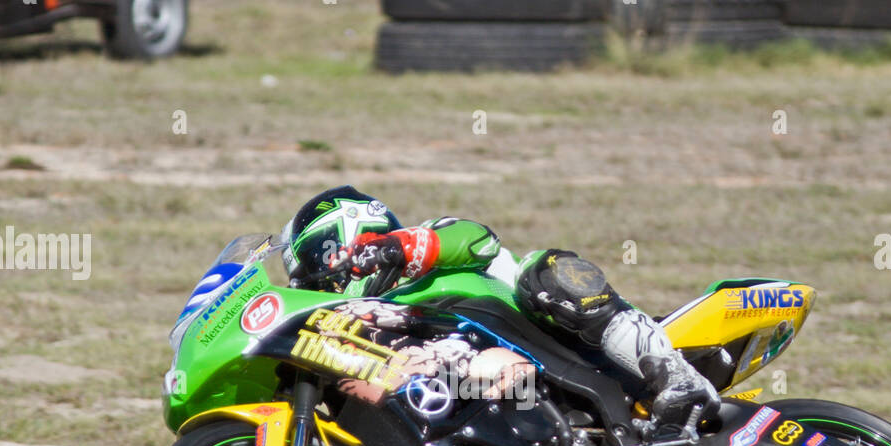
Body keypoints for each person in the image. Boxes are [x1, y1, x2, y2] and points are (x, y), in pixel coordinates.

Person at [279, 186, 717, 425]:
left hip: (556, 345)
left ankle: (674, 375)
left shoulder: (424, 256)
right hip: (482, 399)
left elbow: (478, 238)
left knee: (543, 270)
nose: (313, 283)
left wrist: (399, 246)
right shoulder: (356, 329)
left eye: (311, 268)